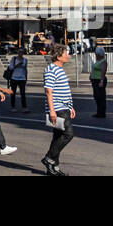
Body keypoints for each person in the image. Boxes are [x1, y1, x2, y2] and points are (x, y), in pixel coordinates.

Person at [43, 43, 75, 176]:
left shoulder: (59, 69)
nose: (68, 56)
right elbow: (49, 91)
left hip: (64, 107)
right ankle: (49, 158)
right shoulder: (51, 69)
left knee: (57, 138)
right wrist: (52, 111)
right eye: (66, 53)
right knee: (68, 134)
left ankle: (53, 169)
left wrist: (71, 106)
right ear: (58, 56)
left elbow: (63, 91)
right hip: (57, 108)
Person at [7, 47, 29, 111]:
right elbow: (11, 68)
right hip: (14, 78)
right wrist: (17, 65)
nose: (21, 53)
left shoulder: (25, 60)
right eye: (19, 52)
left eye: (22, 52)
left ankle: (24, 107)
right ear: (17, 52)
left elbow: (25, 69)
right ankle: (13, 107)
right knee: (13, 93)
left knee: (23, 93)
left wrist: (26, 77)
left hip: (22, 78)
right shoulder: (14, 59)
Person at [90, 46, 108, 118]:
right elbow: (94, 69)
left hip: (99, 80)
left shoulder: (103, 61)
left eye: (96, 54)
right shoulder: (97, 61)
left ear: (99, 54)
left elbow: (103, 71)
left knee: (100, 97)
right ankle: (98, 112)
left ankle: (102, 113)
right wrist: (91, 75)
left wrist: (101, 81)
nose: (95, 55)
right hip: (94, 80)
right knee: (96, 96)